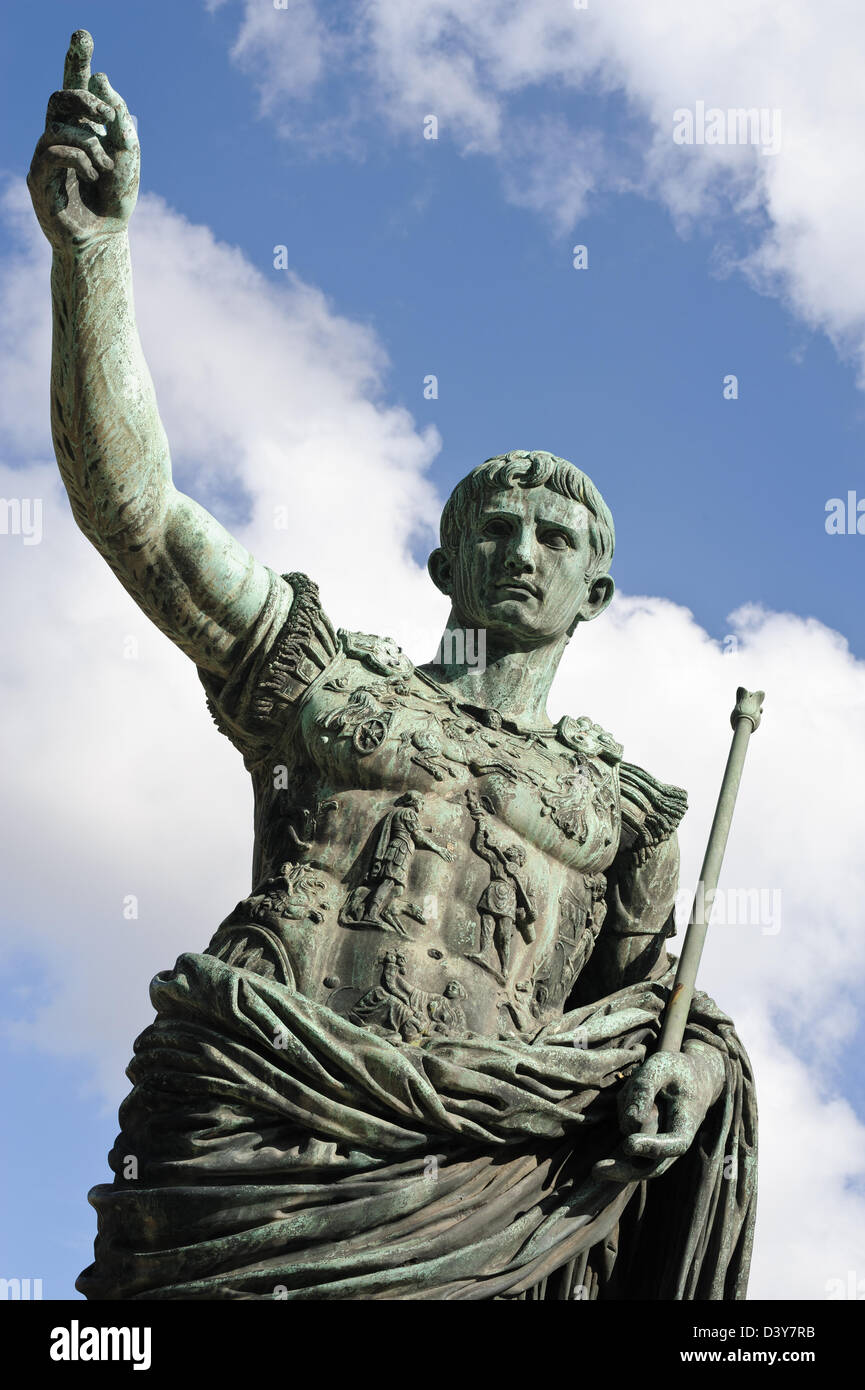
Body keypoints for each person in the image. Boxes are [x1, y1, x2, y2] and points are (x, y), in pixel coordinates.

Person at [29, 32, 756, 1301]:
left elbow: (656, 1015)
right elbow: (133, 511)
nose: (519, 548)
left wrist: (686, 1078)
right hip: (264, 1149)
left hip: (471, 1212)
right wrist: (92, 257)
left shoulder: (623, 812)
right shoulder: (327, 684)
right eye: (492, 528)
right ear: (443, 565)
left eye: (555, 536)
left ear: (600, 592)